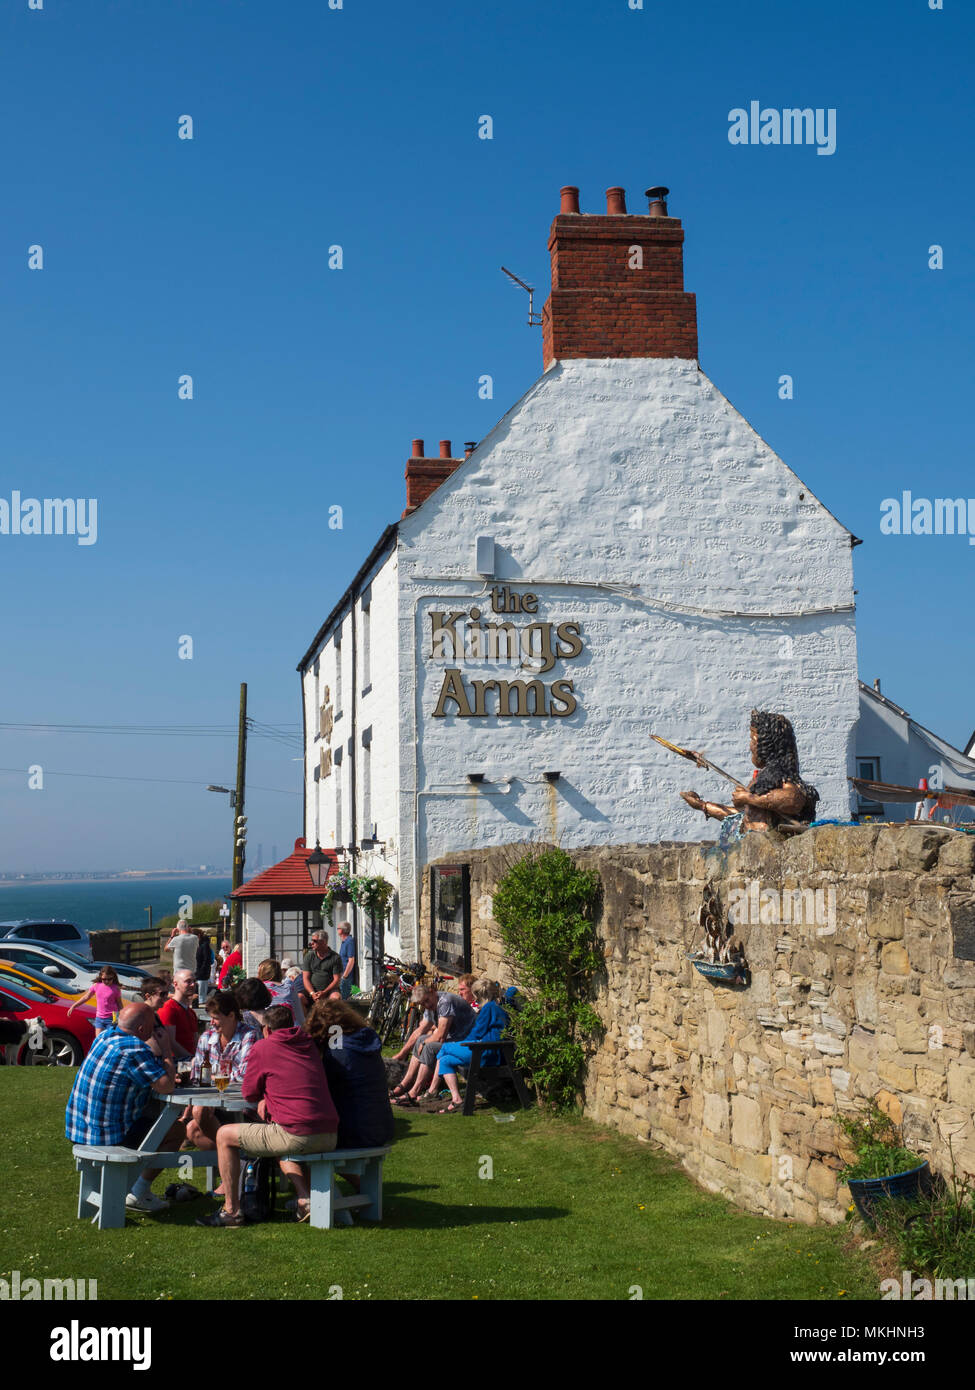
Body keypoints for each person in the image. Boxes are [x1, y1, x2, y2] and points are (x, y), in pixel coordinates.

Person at [196, 1005, 339, 1227]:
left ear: (266, 1029)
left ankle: (231, 1211)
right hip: (329, 1133)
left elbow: (249, 1092)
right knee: (280, 1141)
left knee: (224, 1135)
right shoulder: (308, 1044)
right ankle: (304, 1198)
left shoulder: (264, 1047)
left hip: (296, 1132)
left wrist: (263, 1095)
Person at [65, 1001, 182, 1212]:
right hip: (107, 1136)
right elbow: (166, 1087)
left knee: (151, 1115)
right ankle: (138, 1192)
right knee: (176, 1129)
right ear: (141, 1029)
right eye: (153, 1026)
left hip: (80, 1129)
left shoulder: (105, 1037)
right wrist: (165, 1049)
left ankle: (134, 1191)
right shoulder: (135, 1048)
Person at [680, 709, 820, 836]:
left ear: (768, 744)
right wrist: (703, 805)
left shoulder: (785, 779)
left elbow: (793, 799)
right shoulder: (764, 779)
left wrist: (748, 797)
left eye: (753, 739)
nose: (750, 746)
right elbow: (747, 817)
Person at [305, 996, 394, 1149]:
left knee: (298, 1142)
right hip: (383, 1127)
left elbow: (320, 1091)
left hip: (354, 1132)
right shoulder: (365, 1041)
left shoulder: (338, 1051)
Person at [184, 990, 258, 1153]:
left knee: (197, 1119)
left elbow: (243, 1075)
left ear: (231, 1016)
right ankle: (237, 1162)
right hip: (215, 1102)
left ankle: (235, 1163)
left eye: (216, 1018)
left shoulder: (249, 1035)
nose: (212, 1023)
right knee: (193, 1128)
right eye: (211, 1018)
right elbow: (196, 1076)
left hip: (243, 1104)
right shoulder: (207, 1037)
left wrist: (212, 1078)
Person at [390, 983, 475, 1106]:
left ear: (431, 991)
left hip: (466, 1041)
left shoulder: (445, 1001)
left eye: (427, 1000)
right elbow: (420, 1030)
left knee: (429, 1046)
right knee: (421, 1040)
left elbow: (440, 1036)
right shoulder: (431, 1006)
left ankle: (416, 1091)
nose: (427, 1005)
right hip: (454, 1040)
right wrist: (402, 1054)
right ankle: (404, 1085)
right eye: (422, 1004)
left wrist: (425, 1042)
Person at [436, 980, 509, 1113]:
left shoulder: (488, 1008)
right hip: (490, 1050)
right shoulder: (494, 1006)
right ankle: (456, 1099)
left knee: (444, 1048)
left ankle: (432, 1089)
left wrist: (463, 1044)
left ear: (477, 994)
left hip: (488, 1053)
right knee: (445, 1060)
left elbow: (477, 1032)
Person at [157, 969, 199, 1059]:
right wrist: (191, 1058)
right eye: (188, 981)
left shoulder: (191, 1012)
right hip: (176, 1062)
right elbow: (170, 1042)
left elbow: (195, 1040)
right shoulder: (168, 1008)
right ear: (175, 984)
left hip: (191, 1060)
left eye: (194, 981)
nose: (193, 984)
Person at [68, 966, 122, 1033]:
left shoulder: (116, 988)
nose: (107, 981)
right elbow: (86, 997)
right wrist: (73, 1006)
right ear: (100, 977)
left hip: (113, 1018)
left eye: (109, 979)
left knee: (111, 1039)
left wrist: (122, 1017)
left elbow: (119, 1004)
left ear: (113, 977)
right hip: (99, 1018)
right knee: (99, 1039)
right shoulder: (96, 985)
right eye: (104, 979)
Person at [301, 931, 342, 1008]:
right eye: (311, 940)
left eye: (314, 941)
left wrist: (324, 992)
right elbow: (305, 978)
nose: (311, 943)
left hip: (329, 990)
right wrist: (312, 993)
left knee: (336, 997)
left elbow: (337, 980)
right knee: (299, 997)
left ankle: (332, 1020)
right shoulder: (309, 956)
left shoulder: (335, 957)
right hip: (312, 991)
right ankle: (306, 1019)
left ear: (323, 942)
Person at [258, 958, 305, 1024]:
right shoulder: (289, 987)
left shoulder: (260, 987)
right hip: (291, 1028)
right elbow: (299, 1015)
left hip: (269, 1028)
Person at [336, 922, 356, 1000]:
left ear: (342, 930)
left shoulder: (349, 941)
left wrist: (344, 976)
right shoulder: (344, 942)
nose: (337, 930)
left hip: (346, 977)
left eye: (338, 928)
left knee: (344, 1000)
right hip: (342, 975)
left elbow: (351, 960)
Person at [195, 930, 214, 1005]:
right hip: (199, 972)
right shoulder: (199, 944)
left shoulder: (204, 945)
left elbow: (206, 959)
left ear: (198, 935)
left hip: (202, 973)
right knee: (199, 995)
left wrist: (201, 971)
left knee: (201, 997)